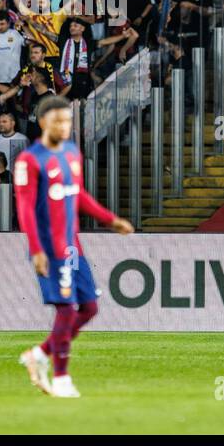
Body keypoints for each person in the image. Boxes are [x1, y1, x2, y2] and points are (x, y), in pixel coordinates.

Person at [15, 95, 133, 398]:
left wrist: (110, 219)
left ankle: (40, 355)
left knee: (90, 307)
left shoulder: (71, 153)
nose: (64, 126)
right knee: (66, 310)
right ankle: (62, 378)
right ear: (43, 123)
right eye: (58, 121)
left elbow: (77, 195)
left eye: (68, 121)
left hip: (72, 246)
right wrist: (37, 249)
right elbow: (25, 209)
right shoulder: (29, 160)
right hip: (49, 248)